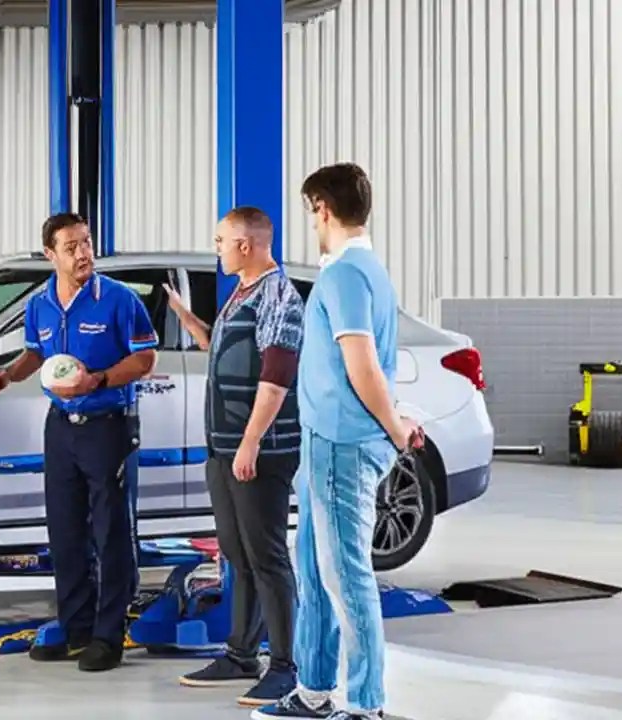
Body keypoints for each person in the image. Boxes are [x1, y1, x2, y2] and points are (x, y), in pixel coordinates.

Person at [253, 164, 421, 720]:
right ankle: (315, 690)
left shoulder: (345, 275)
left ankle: (366, 704)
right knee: (315, 571)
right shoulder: (369, 270)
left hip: (343, 444)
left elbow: (363, 365)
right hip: (325, 442)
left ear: (321, 207)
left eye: (310, 211)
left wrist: (395, 427)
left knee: (346, 575)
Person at [0, 211, 158, 673]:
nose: (83, 253)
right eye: (71, 247)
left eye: (87, 243)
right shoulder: (40, 306)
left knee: (111, 531)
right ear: (50, 255)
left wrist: (99, 380)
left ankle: (109, 636)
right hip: (61, 426)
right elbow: (37, 353)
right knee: (66, 530)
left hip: (109, 423)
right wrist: (4, 377)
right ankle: (76, 632)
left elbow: (145, 358)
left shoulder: (118, 300)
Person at [165, 207, 305, 707]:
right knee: (238, 556)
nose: (217, 247)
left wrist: (250, 443)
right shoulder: (240, 295)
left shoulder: (278, 296)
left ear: (246, 245)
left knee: (267, 557)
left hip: (260, 451)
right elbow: (224, 352)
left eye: (221, 239)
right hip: (224, 447)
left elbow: (274, 378)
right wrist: (187, 319)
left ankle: (285, 666)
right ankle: (241, 653)